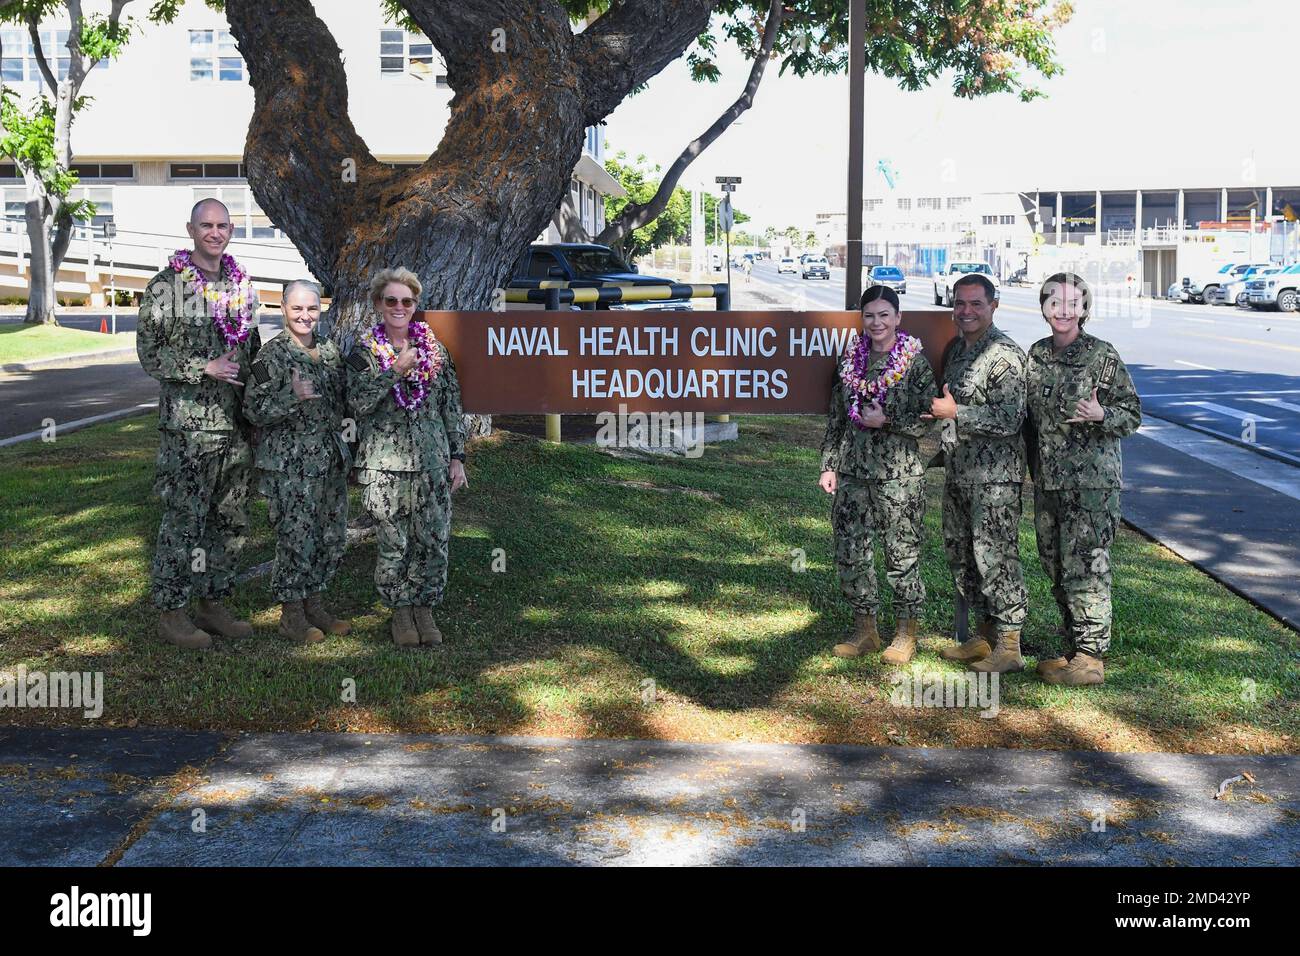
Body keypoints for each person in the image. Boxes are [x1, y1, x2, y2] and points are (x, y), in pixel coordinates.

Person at [136, 198, 261, 649]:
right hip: (189, 430)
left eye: (222, 225)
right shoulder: (166, 287)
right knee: (183, 520)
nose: (214, 232)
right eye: (205, 225)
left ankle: (213, 604)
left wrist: (259, 411)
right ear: (190, 229)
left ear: (230, 230)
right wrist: (201, 366)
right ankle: (171, 611)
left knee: (227, 520)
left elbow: (252, 353)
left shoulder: (242, 285)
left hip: (234, 426)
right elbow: (149, 354)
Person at [1026, 273, 1141, 685]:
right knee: (1055, 563)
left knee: (1087, 566)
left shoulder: (1101, 355)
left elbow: (1132, 413)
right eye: (1054, 302)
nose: (1063, 310)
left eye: (1072, 302)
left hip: (1091, 487)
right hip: (1049, 483)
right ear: (1042, 307)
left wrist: (1103, 415)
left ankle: (1091, 657)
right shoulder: (1036, 355)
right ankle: (1073, 646)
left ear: (1085, 308)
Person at [346, 267, 468, 646]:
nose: (399, 307)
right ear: (379, 305)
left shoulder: (434, 350)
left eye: (407, 301)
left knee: (433, 539)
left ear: (416, 305)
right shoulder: (363, 353)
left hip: (432, 462)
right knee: (394, 543)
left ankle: (424, 607)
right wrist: (394, 372)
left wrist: (457, 455)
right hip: (384, 467)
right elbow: (357, 402)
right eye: (391, 301)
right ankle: (400, 611)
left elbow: (450, 404)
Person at [821, 285, 937, 662]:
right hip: (853, 473)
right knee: (852, 552)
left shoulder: (914, 363)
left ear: (898, 318)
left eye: (884, 314)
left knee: (901, 556)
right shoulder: (850, 358)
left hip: (899, 477)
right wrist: (828, 464)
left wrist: (887, 421)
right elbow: (837, 418)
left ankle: (906, 634)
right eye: (869, 315)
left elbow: (928, 421)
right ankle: (865, 630)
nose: (877, 322)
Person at [924, 273, 1029, 673]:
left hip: (994, 481)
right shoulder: (958, 351)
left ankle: (1010, 646)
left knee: (996, 558)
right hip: (960, 474)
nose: (966, 312)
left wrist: (957, 413)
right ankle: (983, 637)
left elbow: (1010, 419)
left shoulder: (1004, 355)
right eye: (960, 304)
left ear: (993, 306)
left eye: (975, 304)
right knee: (963, 555)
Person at [242, 280, 351, 644]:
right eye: (297, 309)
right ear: (283, 309)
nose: (305, 316)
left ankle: (314, 604)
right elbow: (252, 409)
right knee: (296, 539)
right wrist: (292, 395)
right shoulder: (269, 357)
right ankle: (291, 615)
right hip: (290, 466)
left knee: (329, 536)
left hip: (328, 460)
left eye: (312, 309)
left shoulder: (331, 352)